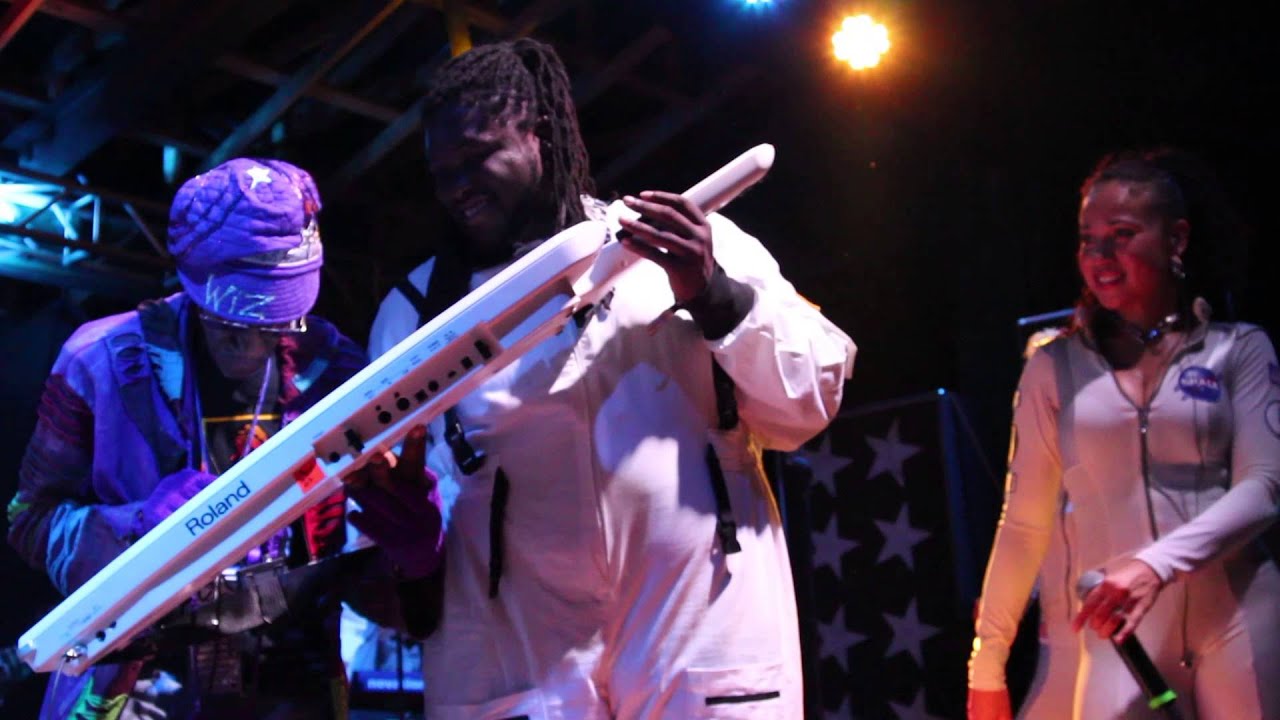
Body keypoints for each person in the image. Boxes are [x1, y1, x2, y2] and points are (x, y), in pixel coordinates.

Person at [367, 38, 855, 718]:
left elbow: (810, 403)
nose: (457, 187)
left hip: (701, 642)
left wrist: (713, 294)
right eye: (441, 170)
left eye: (477, 157)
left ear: (540, 134)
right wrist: (414, 549)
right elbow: (391, 536)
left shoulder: (685, 243)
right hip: (523, 665)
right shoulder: (418, 318)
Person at [7, 158, 442, 719]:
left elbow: (357, 580)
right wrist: (134, 529)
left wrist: (411, 556)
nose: (250, 347)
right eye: (229, 325)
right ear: (190, 282)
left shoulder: (335, 374)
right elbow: (28, 520)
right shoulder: (103, 362)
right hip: (136, 687)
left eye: (276, 326)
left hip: (293, 689)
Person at [968, 148, 1280, 719]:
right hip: (1120, 636)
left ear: (1176, 240)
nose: (1100, 255)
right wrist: (987, 666)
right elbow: (1024, 520)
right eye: (1089, 238)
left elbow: (1265, 487)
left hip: (1240, 618)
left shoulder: (1240, 348)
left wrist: (1153, 564)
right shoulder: (1053, 367)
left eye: (1122, 233)